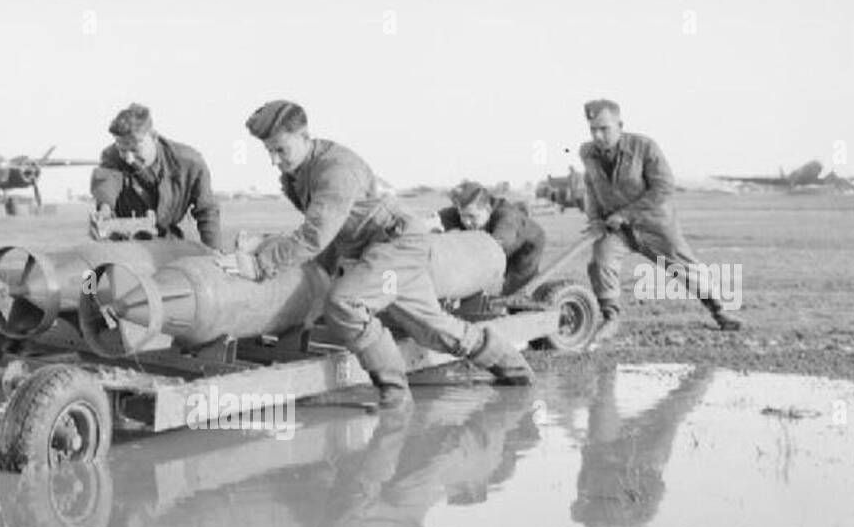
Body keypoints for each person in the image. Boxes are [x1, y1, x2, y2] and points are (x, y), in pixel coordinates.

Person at [243, 99, 534, 410]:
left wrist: (261, 264)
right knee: (432, 329)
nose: (274, 160)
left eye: (280, 150)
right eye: (269, 152)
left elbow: (316, 236)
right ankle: (517, 372)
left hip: (396, 246)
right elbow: (331, 231)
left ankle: (394, 394)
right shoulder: (297, 174)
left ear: (304, 136)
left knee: (346, 302)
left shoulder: (335, 169)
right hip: (378, 252)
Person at [580, 99, 743, 343]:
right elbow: (591, 187)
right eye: (593, 129)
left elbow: (664, 187)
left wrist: (625, 215)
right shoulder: (588, 152)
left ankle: (720, 311)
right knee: (601, 260)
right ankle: (611, 318)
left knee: (683, 266)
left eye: (604, 129)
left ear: (620, 125)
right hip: (617, 229)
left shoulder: (644, 147)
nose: (598, 135)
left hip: (655, 224)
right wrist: (594, 219)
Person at [89, 103, 222, 248]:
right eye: (122, 149)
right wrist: (104, 213)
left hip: (170, 243)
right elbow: (106, 184)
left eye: (134, 149)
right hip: (125, 246)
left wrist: (214, 255)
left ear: (154, 137)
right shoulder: (111, 156)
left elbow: (207, 211)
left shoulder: (190, 162)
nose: (128, 158)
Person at [438, 182, 546, 295]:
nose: (466, 222)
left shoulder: (507, 217)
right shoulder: (461, 210)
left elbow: (496, 246)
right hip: (494, 240)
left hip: (524, 247)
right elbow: (429, 223)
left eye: (472, 216)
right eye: (462, 215)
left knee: (512, 294)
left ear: (488, 209)